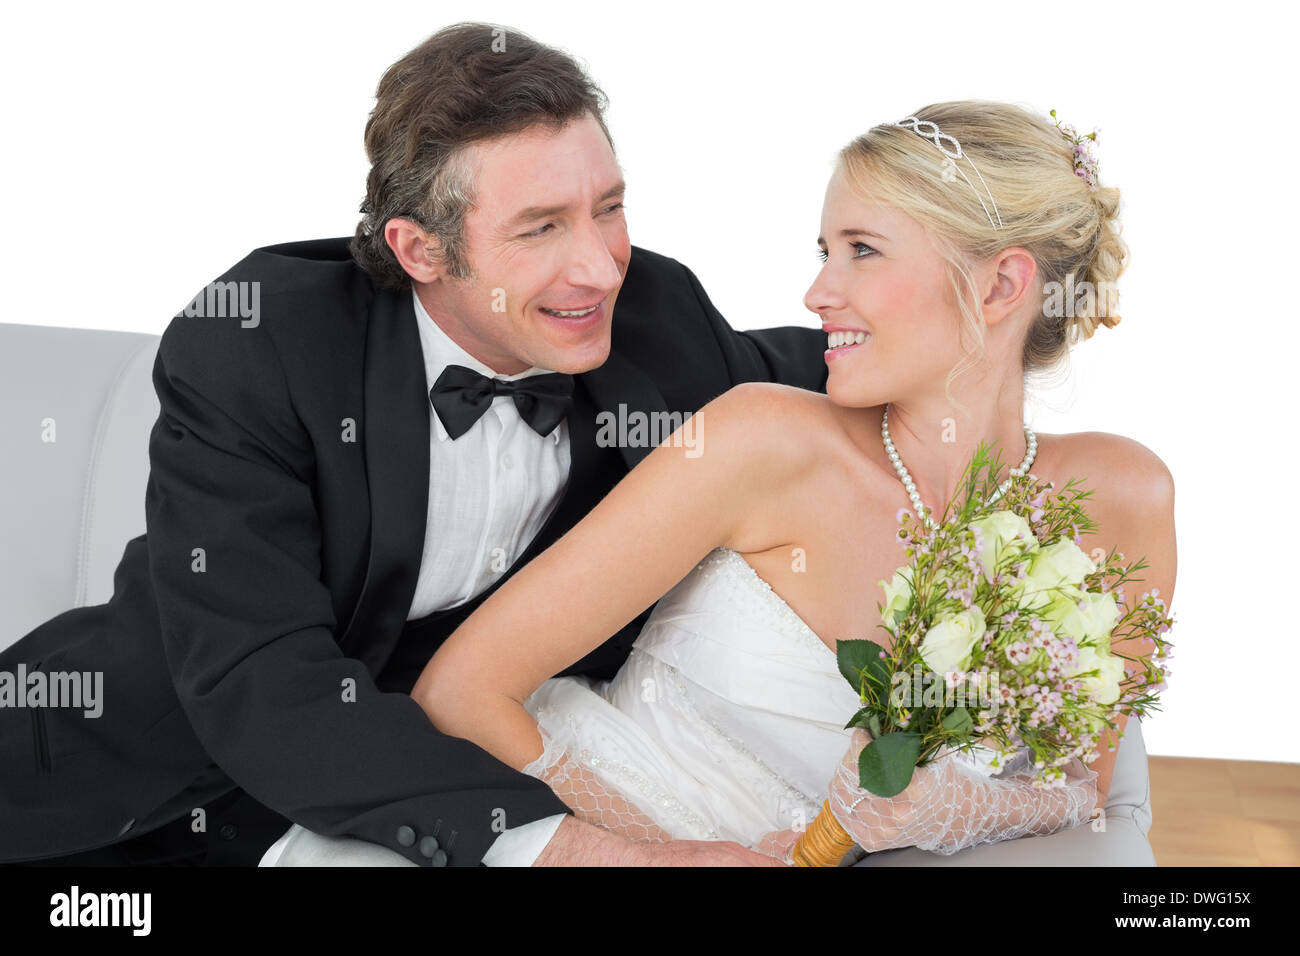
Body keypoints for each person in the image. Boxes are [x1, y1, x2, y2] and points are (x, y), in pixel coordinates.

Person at [0, 22, 827, 868]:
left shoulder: (658, 312)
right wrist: (583, 852)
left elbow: (821, 373)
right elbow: (264, 680)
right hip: (111, 786)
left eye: (608, 208)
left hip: (418, 800)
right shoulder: (262, 341)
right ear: (419, 248)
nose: (602, 267)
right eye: (540, 227)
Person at [267, 99, 1177, 865]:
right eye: (823, 248)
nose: (819, 291)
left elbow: (1082, 786)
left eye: (862, 250)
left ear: (1000, 286)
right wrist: (668, 858)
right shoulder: (760, 439)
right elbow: (462, 693)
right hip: (565, 833)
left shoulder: (1121, 500)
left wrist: (948, 810)